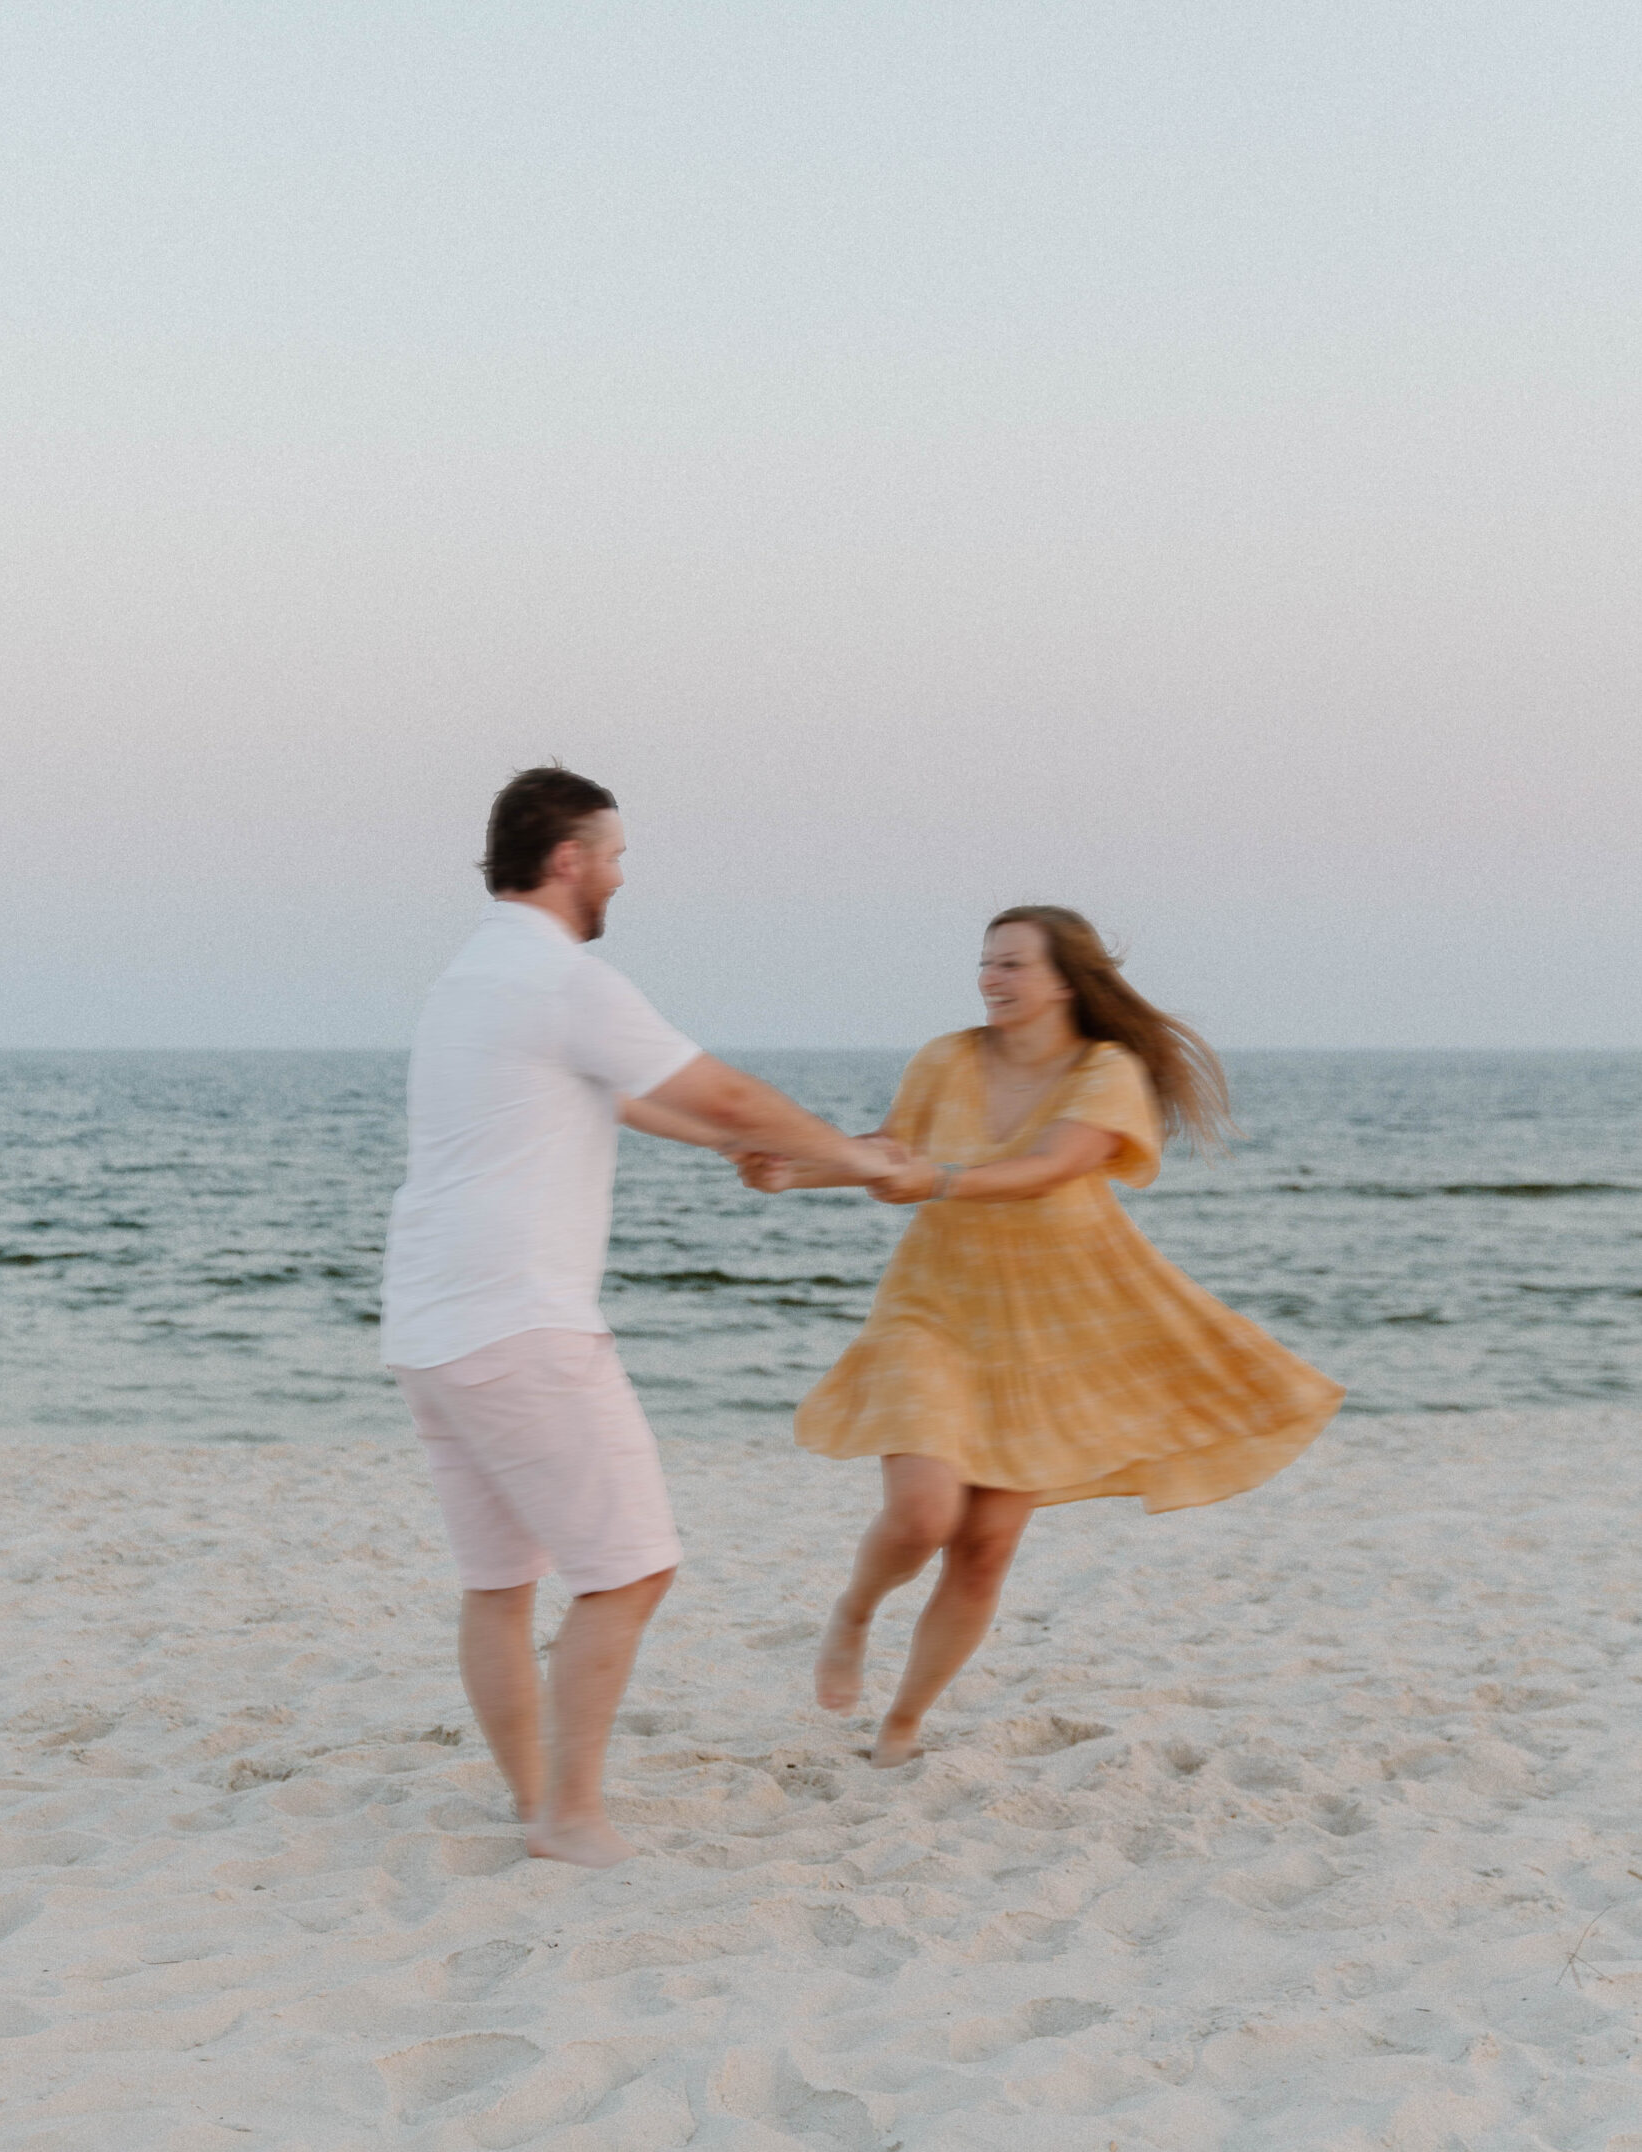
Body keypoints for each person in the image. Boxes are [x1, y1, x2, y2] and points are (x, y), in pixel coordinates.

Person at [381, 767, 903, 1866]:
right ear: (568, 858)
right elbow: (725, 1091)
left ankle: (536, 1802)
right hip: (522, 1325)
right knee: (629, 1569)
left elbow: (615, 1097)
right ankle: (569, 1817)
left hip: (432, 1329)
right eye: (613, 852)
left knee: (498, 1584)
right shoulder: (564, 975)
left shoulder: (469, 978)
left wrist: (730, 1151)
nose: (622, 873)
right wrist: (853, 1158)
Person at [740, 907, 1343, 1768]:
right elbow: (888, 1150)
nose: (991, 978)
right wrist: (796, 1169)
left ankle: (903, 1722)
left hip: (1049, 1331)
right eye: (985, 962)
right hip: (932, 1311)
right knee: (920, 1514)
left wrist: (935, 1178)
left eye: (1013, 964)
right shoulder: (944, 1058)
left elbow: (1051, 1166)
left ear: (1064, 979)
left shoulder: (1106, 1071)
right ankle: (854, 1612)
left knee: (982, 1551)